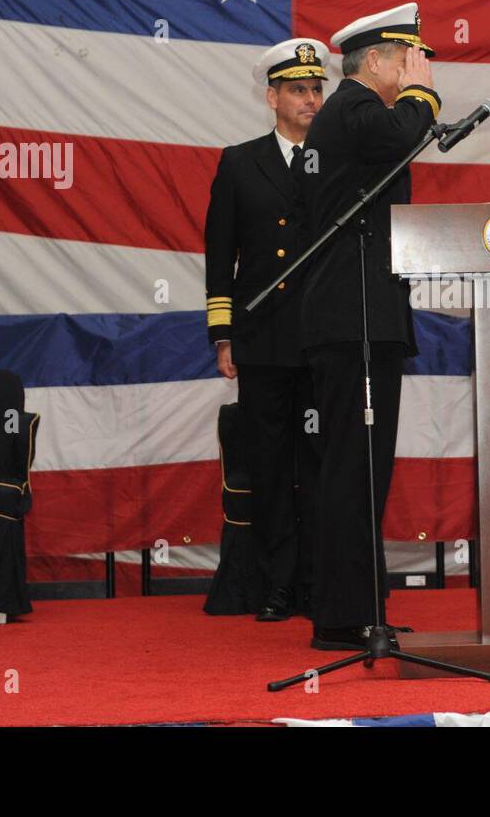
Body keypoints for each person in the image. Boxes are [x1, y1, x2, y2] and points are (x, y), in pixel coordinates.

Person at [295, 3, 442, 651]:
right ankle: (339, 615)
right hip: (349, 312)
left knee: (364, 468)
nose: (420, 68)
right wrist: (422, 95)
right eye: (409, 58)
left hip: (364, 311)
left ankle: (361, 606)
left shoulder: (354, 113)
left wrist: (417, 98)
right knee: (352, 466)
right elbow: (402, 132)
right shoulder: (354, 108)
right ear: (376, 61)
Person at [203, 37, 328, 621]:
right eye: (299, 90)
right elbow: (219, 254)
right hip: (263, 339)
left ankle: (322, 582)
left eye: (316, 88)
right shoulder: (238, 161)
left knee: (323, 463)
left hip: (325, 336)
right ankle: (279, 583)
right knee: (273, 468)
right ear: (272, 96)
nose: (310, 99)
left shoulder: (338, 158)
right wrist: (224, 335)